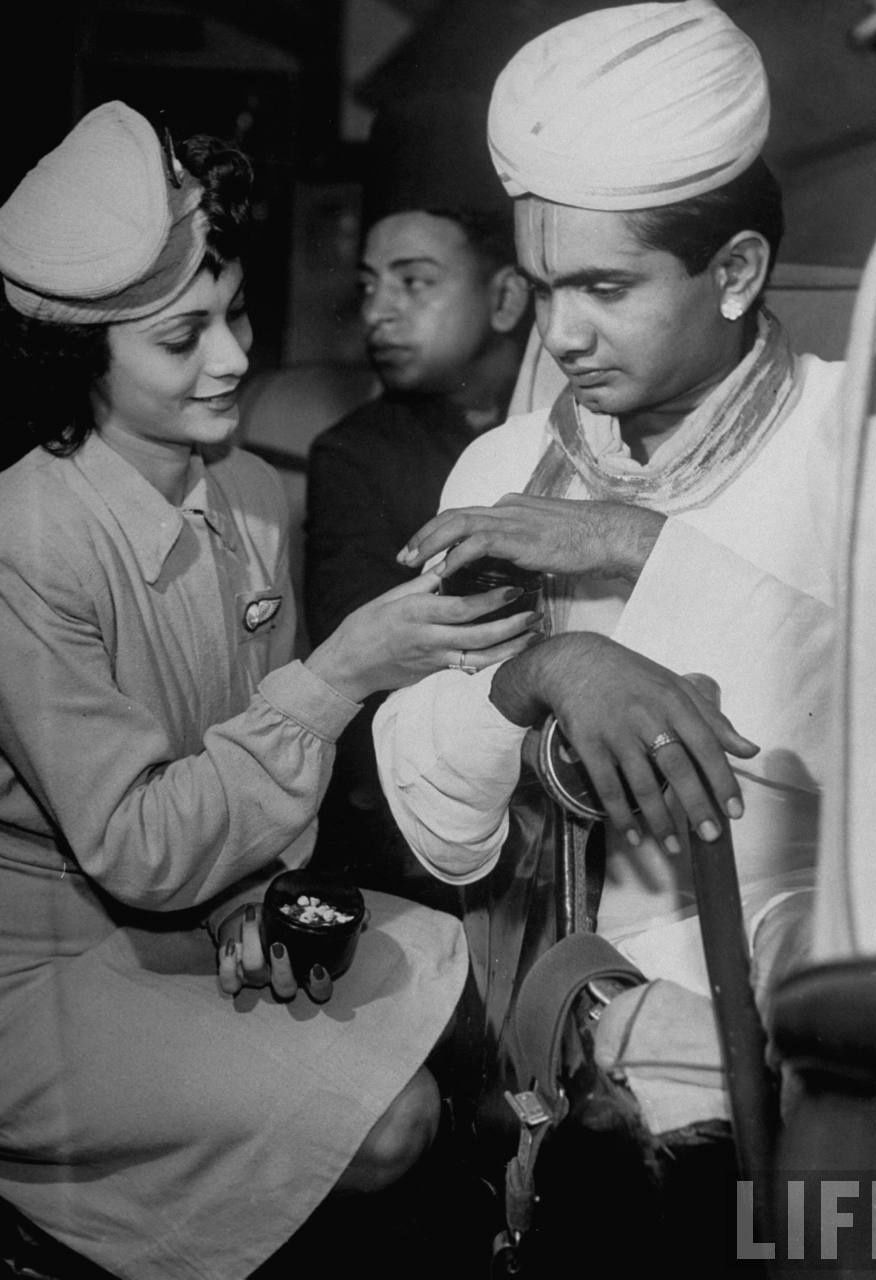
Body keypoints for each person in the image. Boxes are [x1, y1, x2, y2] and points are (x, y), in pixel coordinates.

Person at [0, 101, 542, 1280]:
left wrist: (257, 896)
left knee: (475, 993)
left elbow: (257, 779)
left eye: (234, 313)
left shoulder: (249, 487)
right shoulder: (24, 537)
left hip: (197, 917)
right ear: (80, 358)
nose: (236, 356)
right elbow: (138, 842)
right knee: (394, 1123)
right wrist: (344, 666)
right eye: (182, 337)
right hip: (41, 977)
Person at [373, 1, 847, 1156]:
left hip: (822, 994)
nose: (564, 334)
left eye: (604, 287)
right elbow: (429, 819)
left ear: (733, 269)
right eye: (543, 290)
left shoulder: (856, 444)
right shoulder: (501, 467)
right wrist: (541, 667)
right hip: (559, 1003)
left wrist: (637, 548)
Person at [303, 91, 531, 899]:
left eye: (414, 282)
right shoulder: (354, 454)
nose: (379, 312)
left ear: (506, 297)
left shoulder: (560, 427)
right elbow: (368, 648)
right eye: (370, 286)